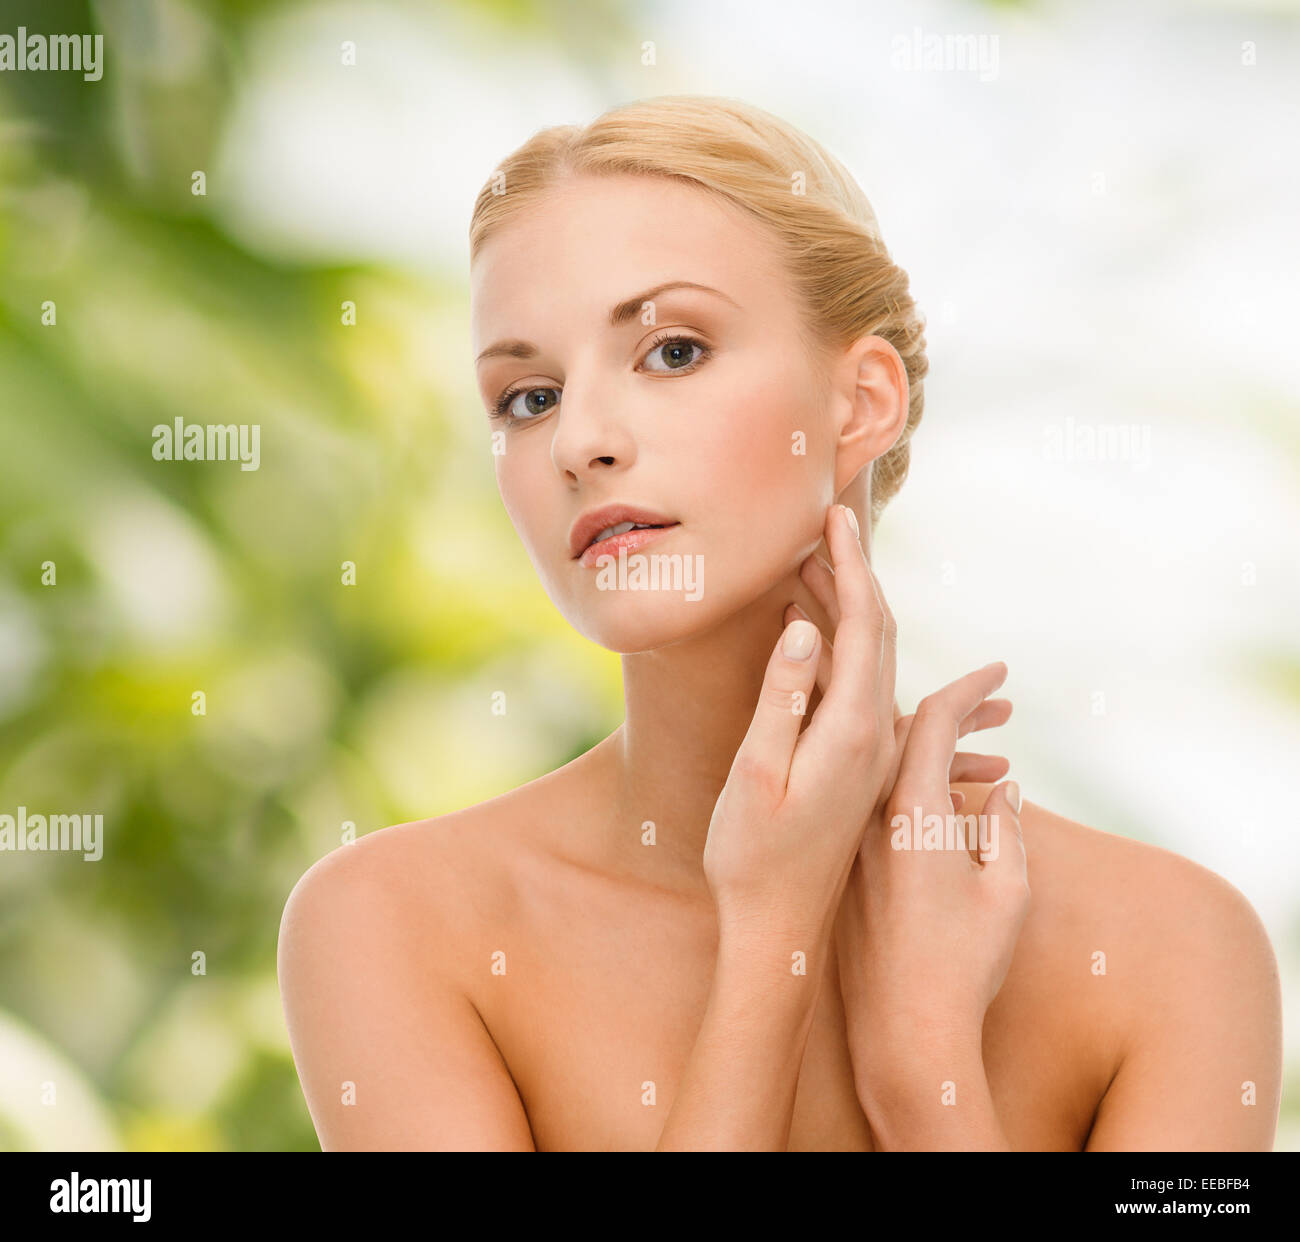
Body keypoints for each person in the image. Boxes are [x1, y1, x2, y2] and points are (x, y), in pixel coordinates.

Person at [278, 95, 1282, 1151]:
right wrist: (771, 936)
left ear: (858, 403)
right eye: (527, 397)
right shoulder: (395, 926)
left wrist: (924, 1069)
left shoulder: (1176, 949)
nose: (578, 440)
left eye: (670, 351)